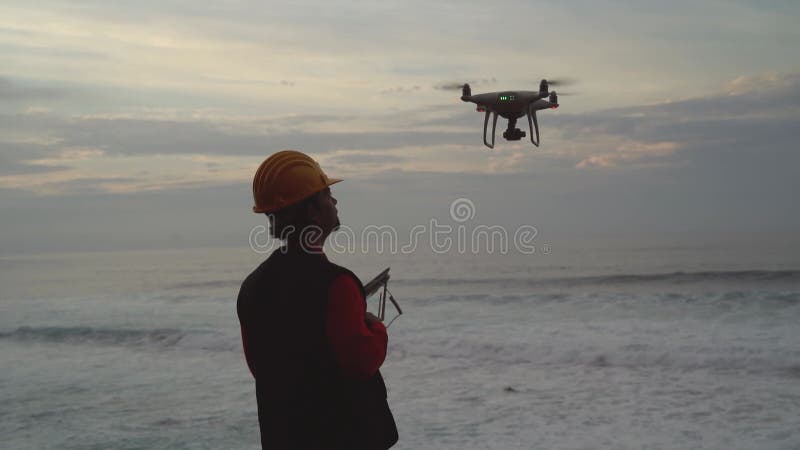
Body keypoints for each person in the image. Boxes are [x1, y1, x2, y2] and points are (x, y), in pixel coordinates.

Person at [237, 150, 398, 450]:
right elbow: (360, 361)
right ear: (312, 211)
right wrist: (376, 329)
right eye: (327, 194)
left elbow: (259, 366)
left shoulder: (252, 286)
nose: (334, 201)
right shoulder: (337, 284)